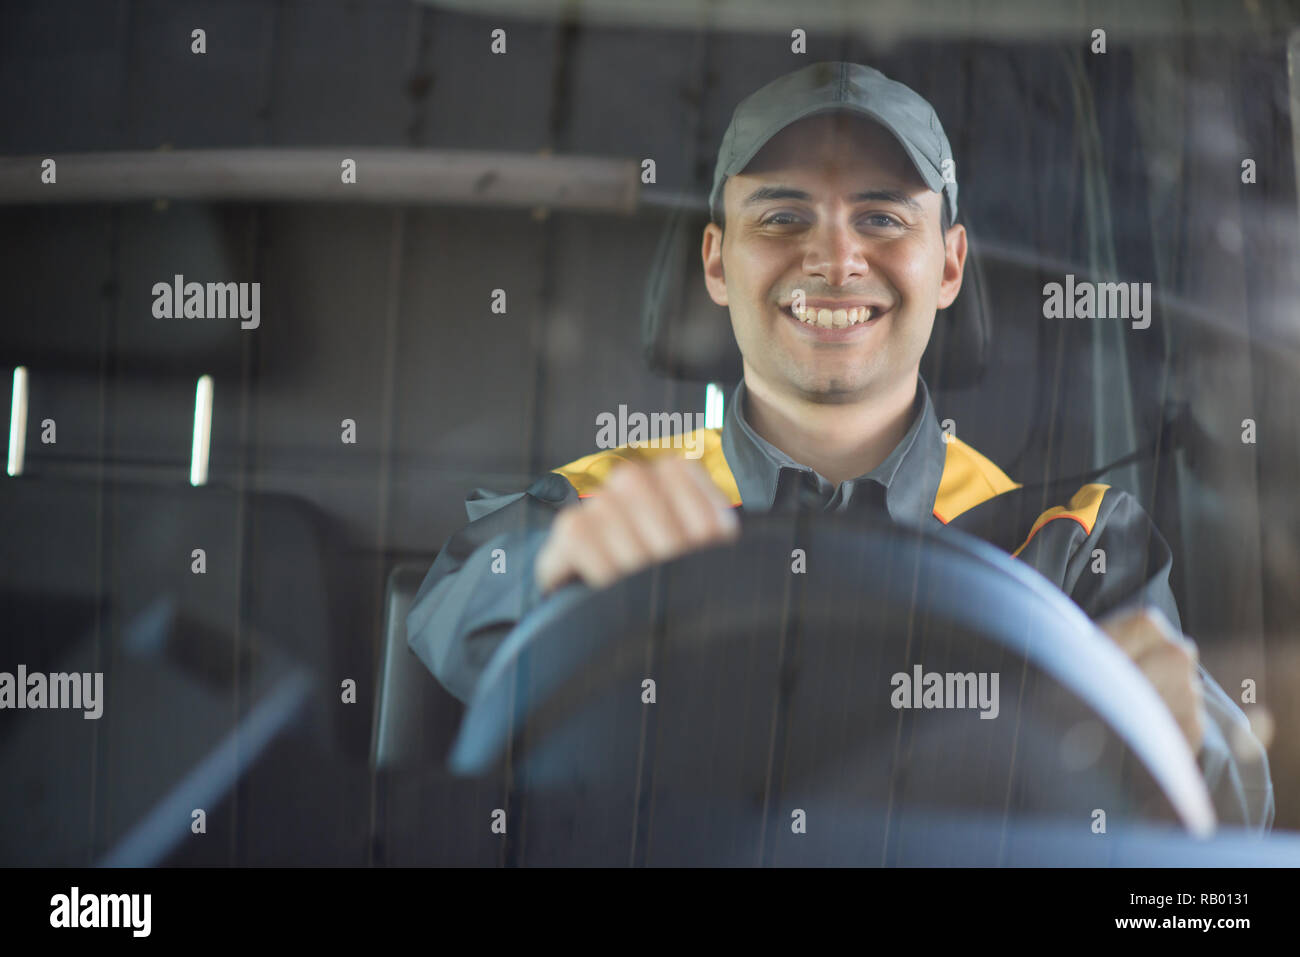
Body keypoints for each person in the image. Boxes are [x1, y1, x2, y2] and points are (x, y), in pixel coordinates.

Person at [406, 61, 1273, 832]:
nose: (834, 257)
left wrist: (1175, 730)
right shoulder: (611, 506)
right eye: (782, 215)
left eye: (884, 218)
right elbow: (445, 608)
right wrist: (555, 574)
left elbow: (1235, 794)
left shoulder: (1068, 544)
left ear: (949, 264)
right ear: (715, 262)